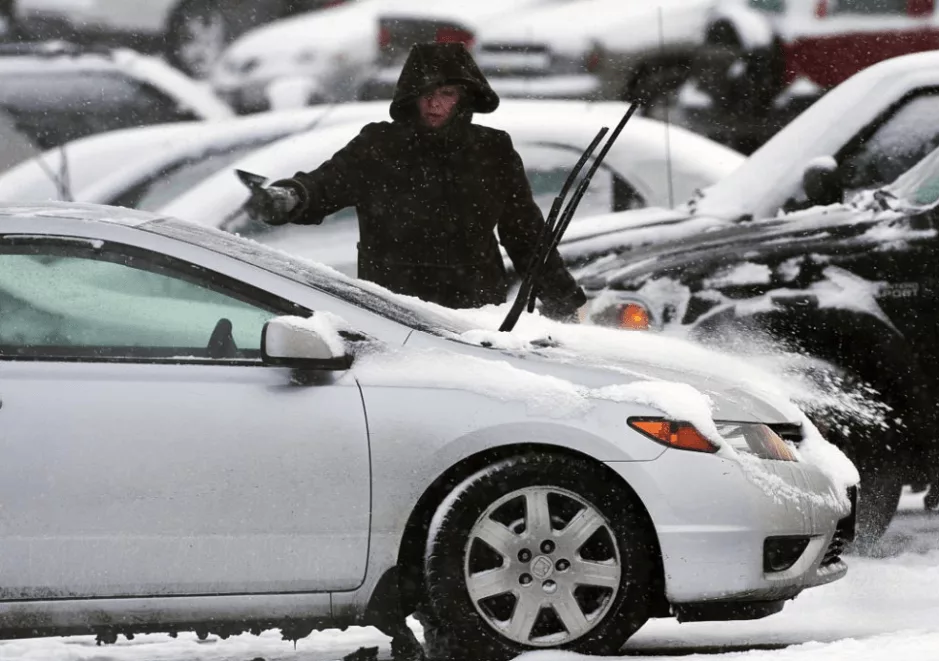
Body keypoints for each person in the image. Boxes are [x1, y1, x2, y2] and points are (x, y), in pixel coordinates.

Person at [246, 42, 586, 321]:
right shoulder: (378, 145)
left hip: (474, 316)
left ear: (465, 97)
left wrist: (561, 299)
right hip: (390, 310)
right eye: (426, 93)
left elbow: (525, 233)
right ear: (411, 96)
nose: (435, 103)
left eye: (447, 92)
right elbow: (325, 183)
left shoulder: (492, 150)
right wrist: (290, 196)